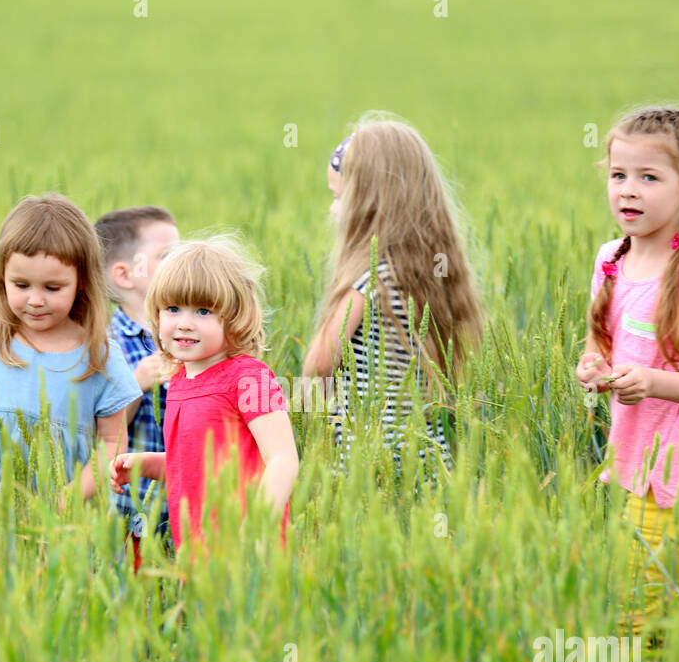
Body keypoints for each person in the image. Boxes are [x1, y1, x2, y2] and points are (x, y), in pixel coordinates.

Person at [574, 107, 679, 639]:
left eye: (649, 178)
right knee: (649, 607)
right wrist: (593, 367)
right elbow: (601, 341)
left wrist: (652, 382)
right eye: (619, 175)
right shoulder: (610, 258)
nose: (629, 190)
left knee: (639, 617)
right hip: (631, 463)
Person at [0, 193, 141, 576]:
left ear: (81, 283)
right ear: (1, 279)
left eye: (52, 288)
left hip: (66, 525)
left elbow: (112, 443)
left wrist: (68, 497)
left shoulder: (100, 359)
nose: (35, 300)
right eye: (21, 284)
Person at [301, 112, 485, 483]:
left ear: (369, 202)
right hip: (428, 460)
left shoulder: (369, 283)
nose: (332, 210)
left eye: (339, 198)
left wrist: (310, 421)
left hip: (367, 463)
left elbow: (318, 364)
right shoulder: (431, 276)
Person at [109, 235, 299, 560]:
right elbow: (198, 464)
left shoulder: (248, 377)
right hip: (198, 555)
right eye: (172, 309)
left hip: (249, 555)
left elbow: (283, 458)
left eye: (203, 311)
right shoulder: (180, 381)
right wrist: (151, 463)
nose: (184, 323)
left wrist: (254, 529)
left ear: (235, 316)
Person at [95, 205, 180, 572]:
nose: (182, 263)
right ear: (124, 274)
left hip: (187, 501)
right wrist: (137, 384)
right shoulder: (106, 342)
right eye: (167, 256)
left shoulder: (188, 329)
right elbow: (97, 426)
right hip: (133, 507)